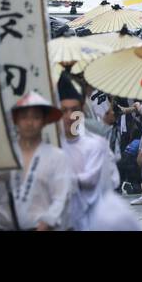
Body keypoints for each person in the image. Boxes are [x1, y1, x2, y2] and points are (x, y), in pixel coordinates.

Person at [0, 92, 73, 231]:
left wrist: (47, 222)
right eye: (24, 117)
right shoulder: (3, 155)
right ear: (16, 120)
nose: (30, 122)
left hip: (39, 227)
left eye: (36, 117)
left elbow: (62, 197)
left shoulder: (57, 157)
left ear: (44, 121)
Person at [57, 74, 117, 231]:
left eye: (74, 110)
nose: (70, 116)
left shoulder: (96, 144)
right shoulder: (52, 145)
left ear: (82, 109)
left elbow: (111, 180)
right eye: (64, 110)